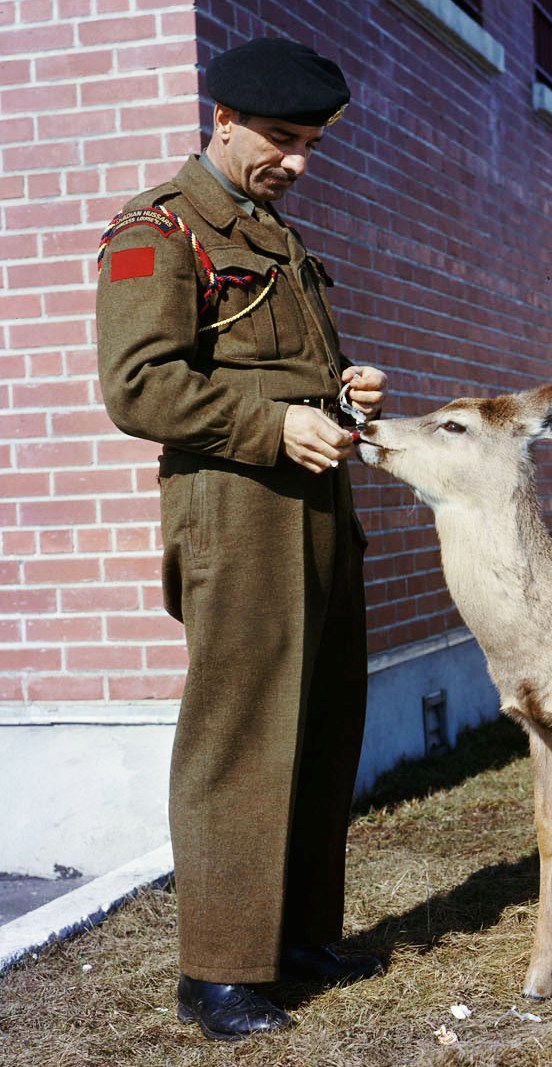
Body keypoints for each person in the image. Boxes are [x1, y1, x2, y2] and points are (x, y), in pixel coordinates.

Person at [95, 37, 387, 1042]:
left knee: (319, 720)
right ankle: (217, 972)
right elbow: (138, 384)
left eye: (310, 144)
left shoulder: (275, 234)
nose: (299, 161)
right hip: (234, 512)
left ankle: (298, 937)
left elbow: (283, 365)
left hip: (313, 509)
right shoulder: (161, 227)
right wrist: (275, 425)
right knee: (241, 734)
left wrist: (343, 388)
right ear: (223, 120)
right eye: (283, 139)